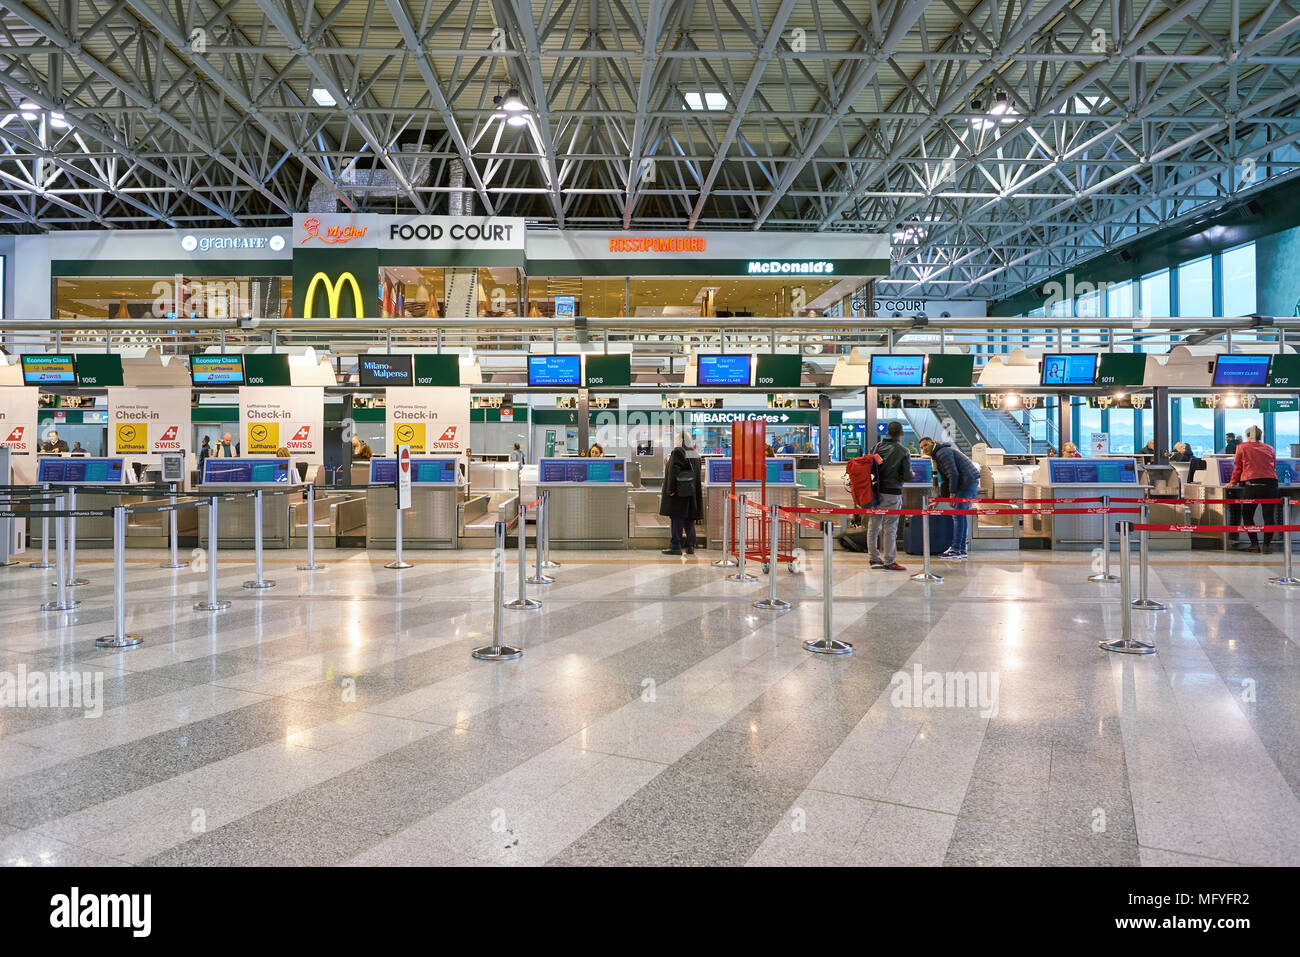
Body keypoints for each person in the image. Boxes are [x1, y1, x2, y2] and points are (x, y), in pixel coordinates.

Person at [920, 435, 981, 561]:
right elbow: (946, 479)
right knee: (960, 515)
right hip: (966, 483)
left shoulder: (942, 453)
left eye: (926, 445)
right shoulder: (938, 454)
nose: (924, 449)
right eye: (921, 447)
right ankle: (961, 549)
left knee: (958, 516)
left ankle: (956, 549)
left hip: (966, 483)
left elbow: (953, 473)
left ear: (932, 442)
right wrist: (938, 501)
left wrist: (952, 494)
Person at [1227, 425, 1279, 553]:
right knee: (1269, 516)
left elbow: (1238, 467)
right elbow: (1273, 465)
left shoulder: (1242, 447)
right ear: (1260, 436)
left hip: (1252, 485)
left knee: (1247, 514)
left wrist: (1232, 482)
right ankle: (1266, 545)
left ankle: (1254, 544)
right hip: (1271, 484)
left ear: (1247, 435)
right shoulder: (1269, 448)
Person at [867, 421, 911, 571]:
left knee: (873, 526)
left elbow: (871, 468)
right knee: (890, 527)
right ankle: (889, 560)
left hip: (876, 492)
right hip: (893, 493)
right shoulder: (903, 451)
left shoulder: (876, 447)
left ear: (887, 433)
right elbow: (907, 476)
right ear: (902, 433)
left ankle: (873, 558)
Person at [659, 432, 702, 556]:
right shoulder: (695, 453)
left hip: (679, 492)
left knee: (677, 517)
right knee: (689, 518)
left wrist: (670, 490)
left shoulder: (678, 451)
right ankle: (690, 545)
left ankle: (675, 545)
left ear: (680, 440)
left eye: (676, 438)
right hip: (691, 492)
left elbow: (673, 471)